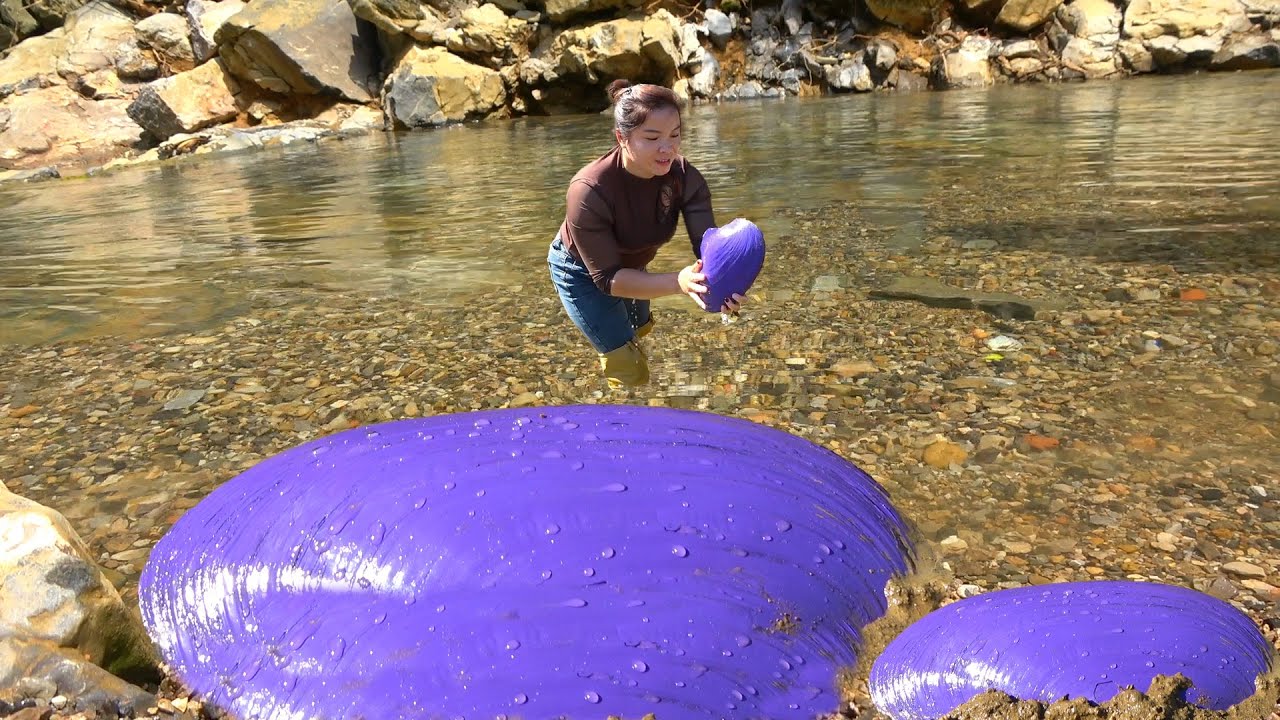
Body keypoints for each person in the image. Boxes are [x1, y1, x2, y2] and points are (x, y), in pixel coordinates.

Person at [548, 79, 745, 390]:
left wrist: (723, 289)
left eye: (675, 135)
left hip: (633, 263)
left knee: (640, 328)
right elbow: (608, 279)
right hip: (584, 272)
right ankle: (624, 405)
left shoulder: (684, 178)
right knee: (627, 366)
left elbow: (707, 248)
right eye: (652, 137)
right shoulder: (588, 191)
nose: (667, 148)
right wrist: (679, 283)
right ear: (622, 138)